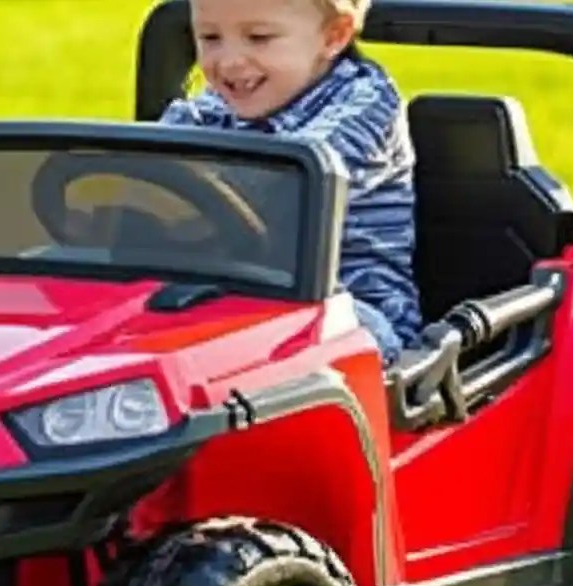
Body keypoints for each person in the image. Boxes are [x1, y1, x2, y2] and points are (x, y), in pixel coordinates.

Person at [159, 0, 421, 367]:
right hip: (231, 295)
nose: (230, 61)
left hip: (352, 309)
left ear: (334, 36)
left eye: (259, 38)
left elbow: (289, 181)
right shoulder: (215, 107)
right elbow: (156, 160)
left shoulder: (367, 105)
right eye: (210, 37)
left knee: (281, 346)